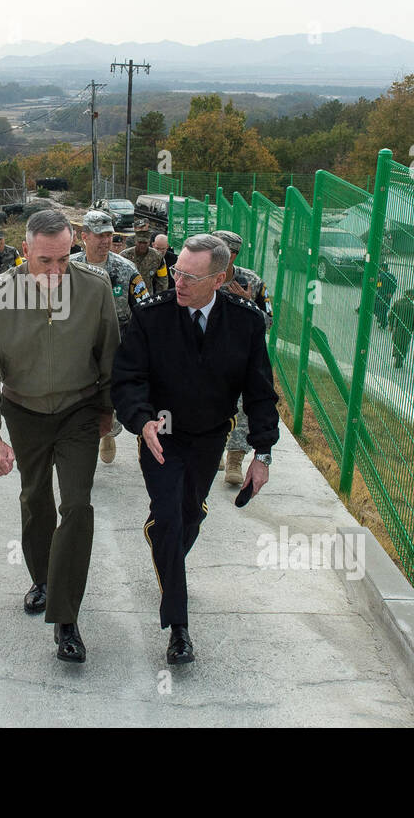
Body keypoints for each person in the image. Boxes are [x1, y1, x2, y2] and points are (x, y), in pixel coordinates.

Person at [112, 233, 279, 665]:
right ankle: (179, 629)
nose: (178, 281)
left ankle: (169, 548)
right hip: (160, 434)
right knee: (167, 514)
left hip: (209, 437)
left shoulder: (245, 323)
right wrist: (141, 419)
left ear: (219, 279)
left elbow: (260, 395)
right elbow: (128, 378)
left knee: (186, 516)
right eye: (177, 269)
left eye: (189, 275)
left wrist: (262, 454)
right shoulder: (152, 317)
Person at [0, 209, 119, 664]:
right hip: (25, 410)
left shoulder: (94, 288)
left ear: (73, 247)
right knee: (35, 498)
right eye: (44, 261)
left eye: (63, 259)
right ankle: (42, 578)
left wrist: (108, 410)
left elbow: (109, 351)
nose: (55, 271)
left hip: (78, 410)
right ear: (26, 251)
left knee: (76, 503)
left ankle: (67, 619)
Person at [80, 209, 149, 464]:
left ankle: (107, 431)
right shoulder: (70, 267)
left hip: (117, 345)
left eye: (109, 234)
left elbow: (144, 311)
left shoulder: (126, 270)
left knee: (111, 392)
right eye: (99, 235)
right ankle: (88, 442)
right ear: (84, 236)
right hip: (79, 346)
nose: (105, 241)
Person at [211, 230, 271, 486]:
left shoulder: (253, 282)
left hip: (241, 356)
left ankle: (235, 458)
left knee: (242, 408)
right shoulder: (203, 276)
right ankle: (214, 449)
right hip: (208, 355)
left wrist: (249, 305)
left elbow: (268, 321)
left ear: (232, 255)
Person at [127, 221, 169, 296]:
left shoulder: (158, 257)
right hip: (127, 295)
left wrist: (159, 298)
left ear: (149, 243)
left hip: (147, 296)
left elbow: (162, 280)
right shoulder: (125, 255)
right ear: (135, 242)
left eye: (145, 243)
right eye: (140, 243)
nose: (142, 246)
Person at [390, 289, 414, 369]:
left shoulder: (397, 303)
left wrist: (391, 325)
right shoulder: (413, 307)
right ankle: (400, 359)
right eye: (413, 295)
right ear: (409, 295)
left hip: (398, 328)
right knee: (404, 344)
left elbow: (391, 315)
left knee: (397, 342)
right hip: (408, 329)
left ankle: (397, 356)